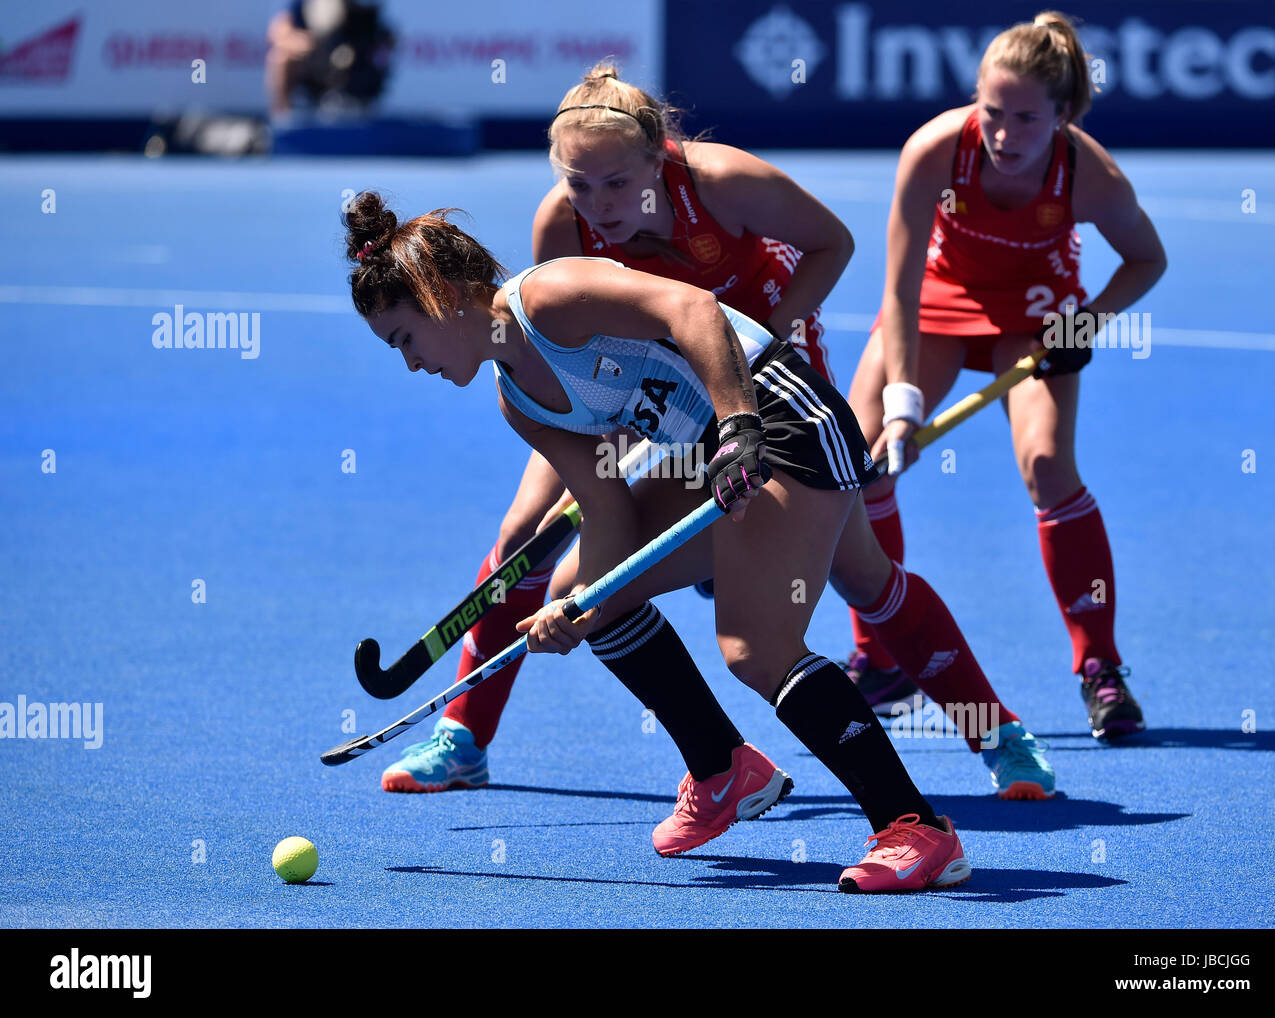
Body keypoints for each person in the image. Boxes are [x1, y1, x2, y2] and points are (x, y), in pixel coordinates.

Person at [381, 64, 1056, 803]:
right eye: (578, 184)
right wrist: (610, 450)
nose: (598, 206)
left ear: (658, 158)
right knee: (526, 535)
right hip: (648, 408)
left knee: (862, 577)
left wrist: (749, 351)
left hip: (766, 392)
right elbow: (565, 362)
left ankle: (996, 735)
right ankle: (466, 733)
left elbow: (833, 243)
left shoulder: (722, 182)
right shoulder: (562, 225)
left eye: (616, 184)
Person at [344, 190, 973, 891]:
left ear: (444, 297)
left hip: (781, 421)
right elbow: (605, 505)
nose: (411, 364)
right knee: (578, 588)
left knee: (754, 648)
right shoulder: (518, 399)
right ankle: (723, 768)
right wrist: (581, 608)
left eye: (405, 339)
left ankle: (914, 827)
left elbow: (694, 309)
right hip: (710, 458)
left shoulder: (550, 298)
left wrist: (738, 428)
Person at [844, 11, 1166, 740]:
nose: (1004, 135)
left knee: (1049, 465)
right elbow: (896, 289)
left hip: (1035, 317)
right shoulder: (933, 151)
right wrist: (903, 404)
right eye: (993, 112)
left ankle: (1100, 666)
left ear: (1064, 114)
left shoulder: (1090, 175)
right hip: (935, 306)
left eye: (1026, 118)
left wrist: (1087, 322)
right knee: (864, 463)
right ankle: (884, 658)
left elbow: (1148, 260)